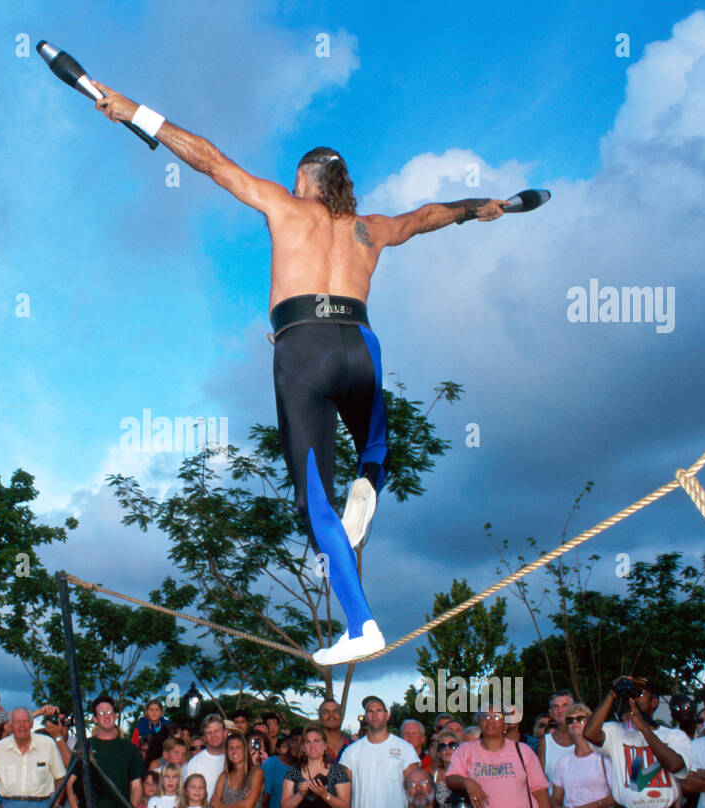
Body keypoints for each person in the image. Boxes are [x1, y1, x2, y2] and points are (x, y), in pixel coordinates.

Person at [94, 86, 509, 664]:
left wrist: (132, 112)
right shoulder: (374, 228)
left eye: (296, 180)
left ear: (310, 181)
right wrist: (479, 207)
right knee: (377, 445)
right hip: (362, 346)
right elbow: (426, 217)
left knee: (315, 500)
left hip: (304, 348)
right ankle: (368, 485)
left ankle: (361, 623)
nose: (291, 189)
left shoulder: (285, 208)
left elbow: (209, 160)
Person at [584, 677, 692, 808]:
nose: (634, 698)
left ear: (654, 702)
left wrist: (643, 728)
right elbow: (590, 733)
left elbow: (676, 765)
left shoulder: (674, 736)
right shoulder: (615, 731)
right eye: (631, 693)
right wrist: (612, 694)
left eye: (641, 694)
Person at [445, 704, 555, 808]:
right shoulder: (466, 750)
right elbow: (450, 778)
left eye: (496, 717)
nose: (491, 721)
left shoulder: (523, 751)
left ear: (506, 724)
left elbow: (540, 791)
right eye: (485, 717)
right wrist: (467, 782)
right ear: (479, 722)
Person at [340, 696, 418, 808]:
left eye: (379, 710)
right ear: (365, 716)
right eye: (370, 711)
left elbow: (414, 791)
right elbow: (344, 796)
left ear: (387, 715)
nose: (375, 715)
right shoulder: (350, 752)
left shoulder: (405, 748)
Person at [68, 695, 144, 808]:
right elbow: (70, 782)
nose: (106, 717)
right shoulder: (84, 746)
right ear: (95, 719)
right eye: (101, 714)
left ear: (116, 716)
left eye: (109, 712)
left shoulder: (130, 749)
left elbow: (136, 785)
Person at [548, 702, 614, 808]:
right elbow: (555, 798)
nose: (575, 723)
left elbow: (618, 797)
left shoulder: (604, 758)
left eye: (581, 719)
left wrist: (590, 807)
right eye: (570, 720)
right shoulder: (563, 761)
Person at [539, 689, 576, 808]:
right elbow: (538, 785)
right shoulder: (545, 743)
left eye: (565, 705)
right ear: (550, 713)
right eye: (556, 706)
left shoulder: (590, 739)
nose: (560, 710)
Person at [261, 729, 298, 808]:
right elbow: (264, 803)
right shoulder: (271, 764)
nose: (298, 746)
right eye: (295, 741)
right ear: (287, 742)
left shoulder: (305, 767)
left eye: (302, 742)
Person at [183, 713, 228, 795]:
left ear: (225, 733)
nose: (213, 735)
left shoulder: (233, 758)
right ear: (204, 738)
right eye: (209, 733)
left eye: (216, 731)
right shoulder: (195, 763)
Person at [428, 731, 459, 804]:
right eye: (442, 746)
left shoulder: (468, 773)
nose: (447, 749)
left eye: (452, 745)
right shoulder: (433, 775)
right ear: (438, 753)